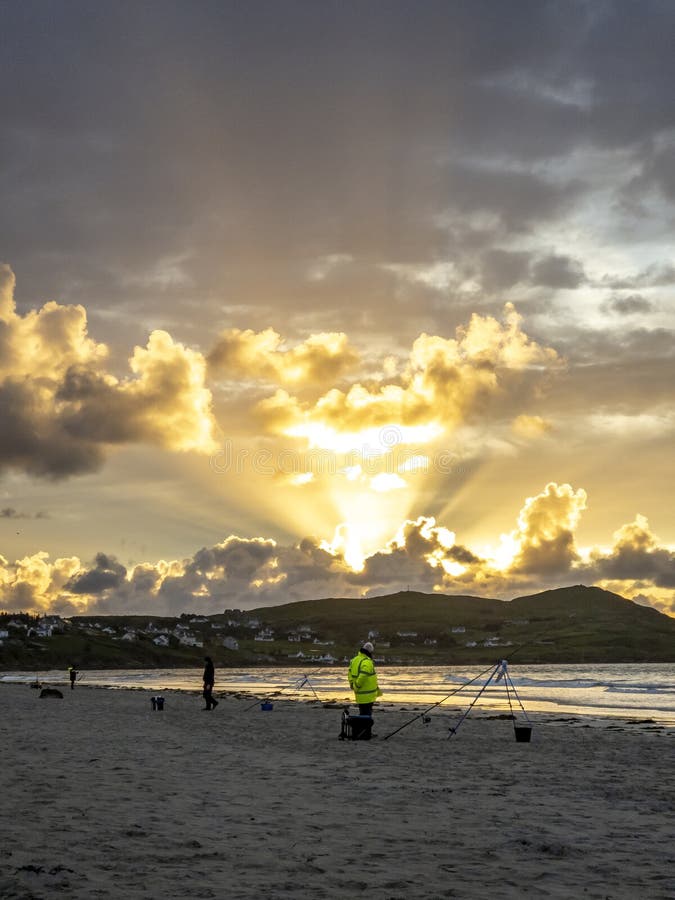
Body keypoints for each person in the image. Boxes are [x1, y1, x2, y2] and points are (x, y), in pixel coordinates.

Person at [348, 642, 382, 716]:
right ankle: (364, 727)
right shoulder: (367, 662)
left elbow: (350, 673)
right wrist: (356, 686)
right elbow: (363, 676)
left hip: (359, 695)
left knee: (362, 713)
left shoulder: (354, 660)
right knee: (366, 715)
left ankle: (361, 727)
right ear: (370, 652)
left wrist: (352, 684)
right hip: (368, 695)